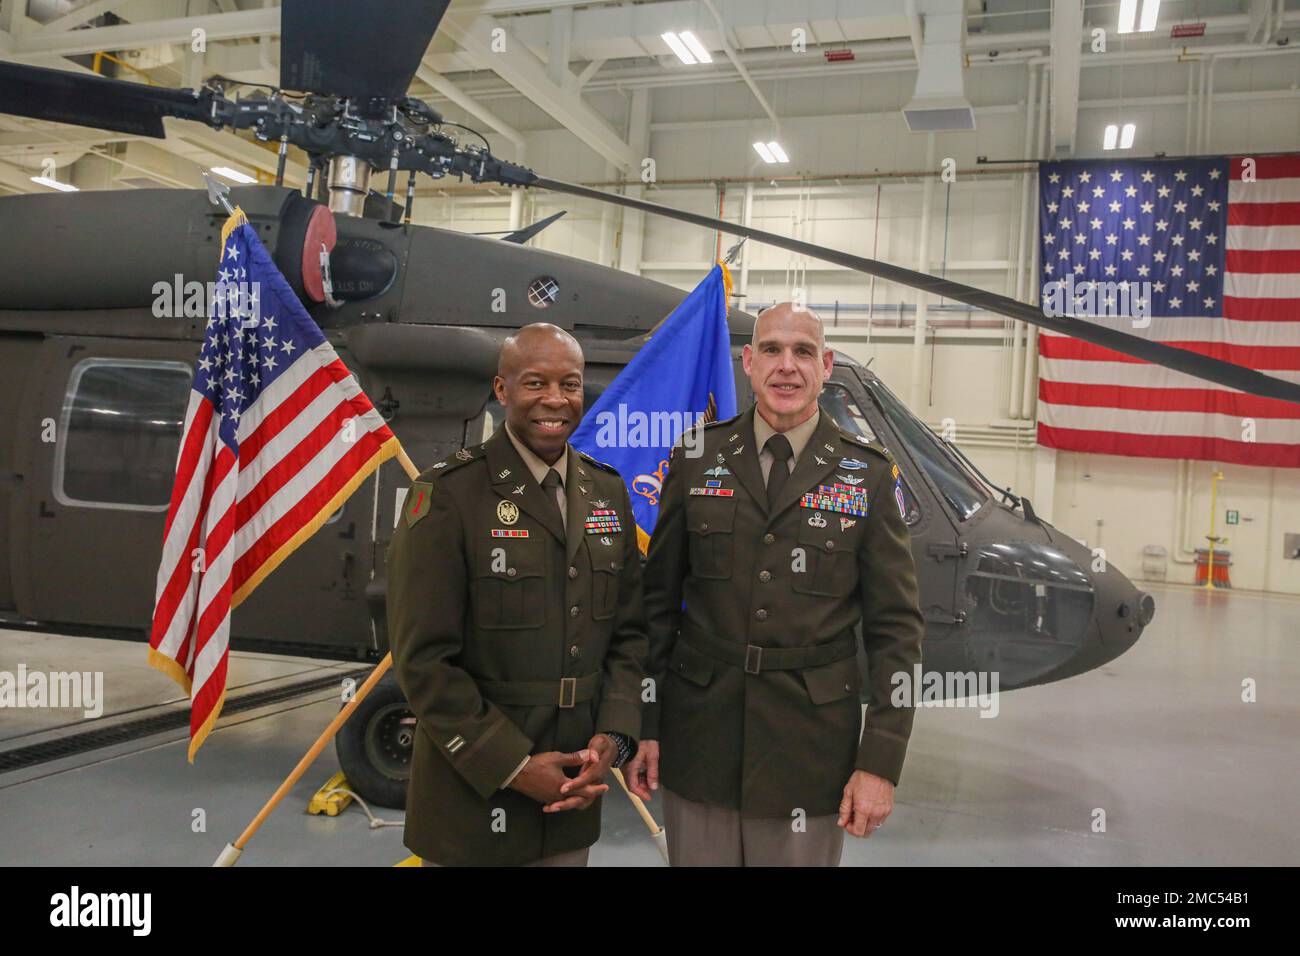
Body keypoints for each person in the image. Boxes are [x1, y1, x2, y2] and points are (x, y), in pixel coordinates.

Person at [625, 301, 925, 866]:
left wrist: (880, 761)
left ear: (827, 364)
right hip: (701, 741)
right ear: (748, 360)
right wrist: (644, 723)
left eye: (803, 351)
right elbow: (657, 606)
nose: (787, 366)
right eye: (772, 350)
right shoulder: (695, 456)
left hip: (810, 752)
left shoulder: (869, 474)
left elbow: (896, 631)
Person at [386, 322, 647, 867]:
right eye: (535, 383)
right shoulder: (449, 495)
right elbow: (424, 661)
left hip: (573, 795)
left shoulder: (606, 491)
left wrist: (615, 737)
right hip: (473, 799)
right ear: (502, 391)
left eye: (570, 384)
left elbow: (629, 632)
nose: (555, 400)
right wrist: (512, 765)